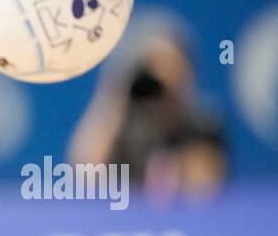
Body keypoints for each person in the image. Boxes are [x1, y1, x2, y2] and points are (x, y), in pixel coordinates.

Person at [68, 28, 227, 198]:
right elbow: (83, 174)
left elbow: (203, 188)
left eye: (173, 66)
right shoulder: (124, 125)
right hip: (125, 219)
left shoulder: (202, 122)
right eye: (155, 68)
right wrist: (114, 97)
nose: (163, 79)